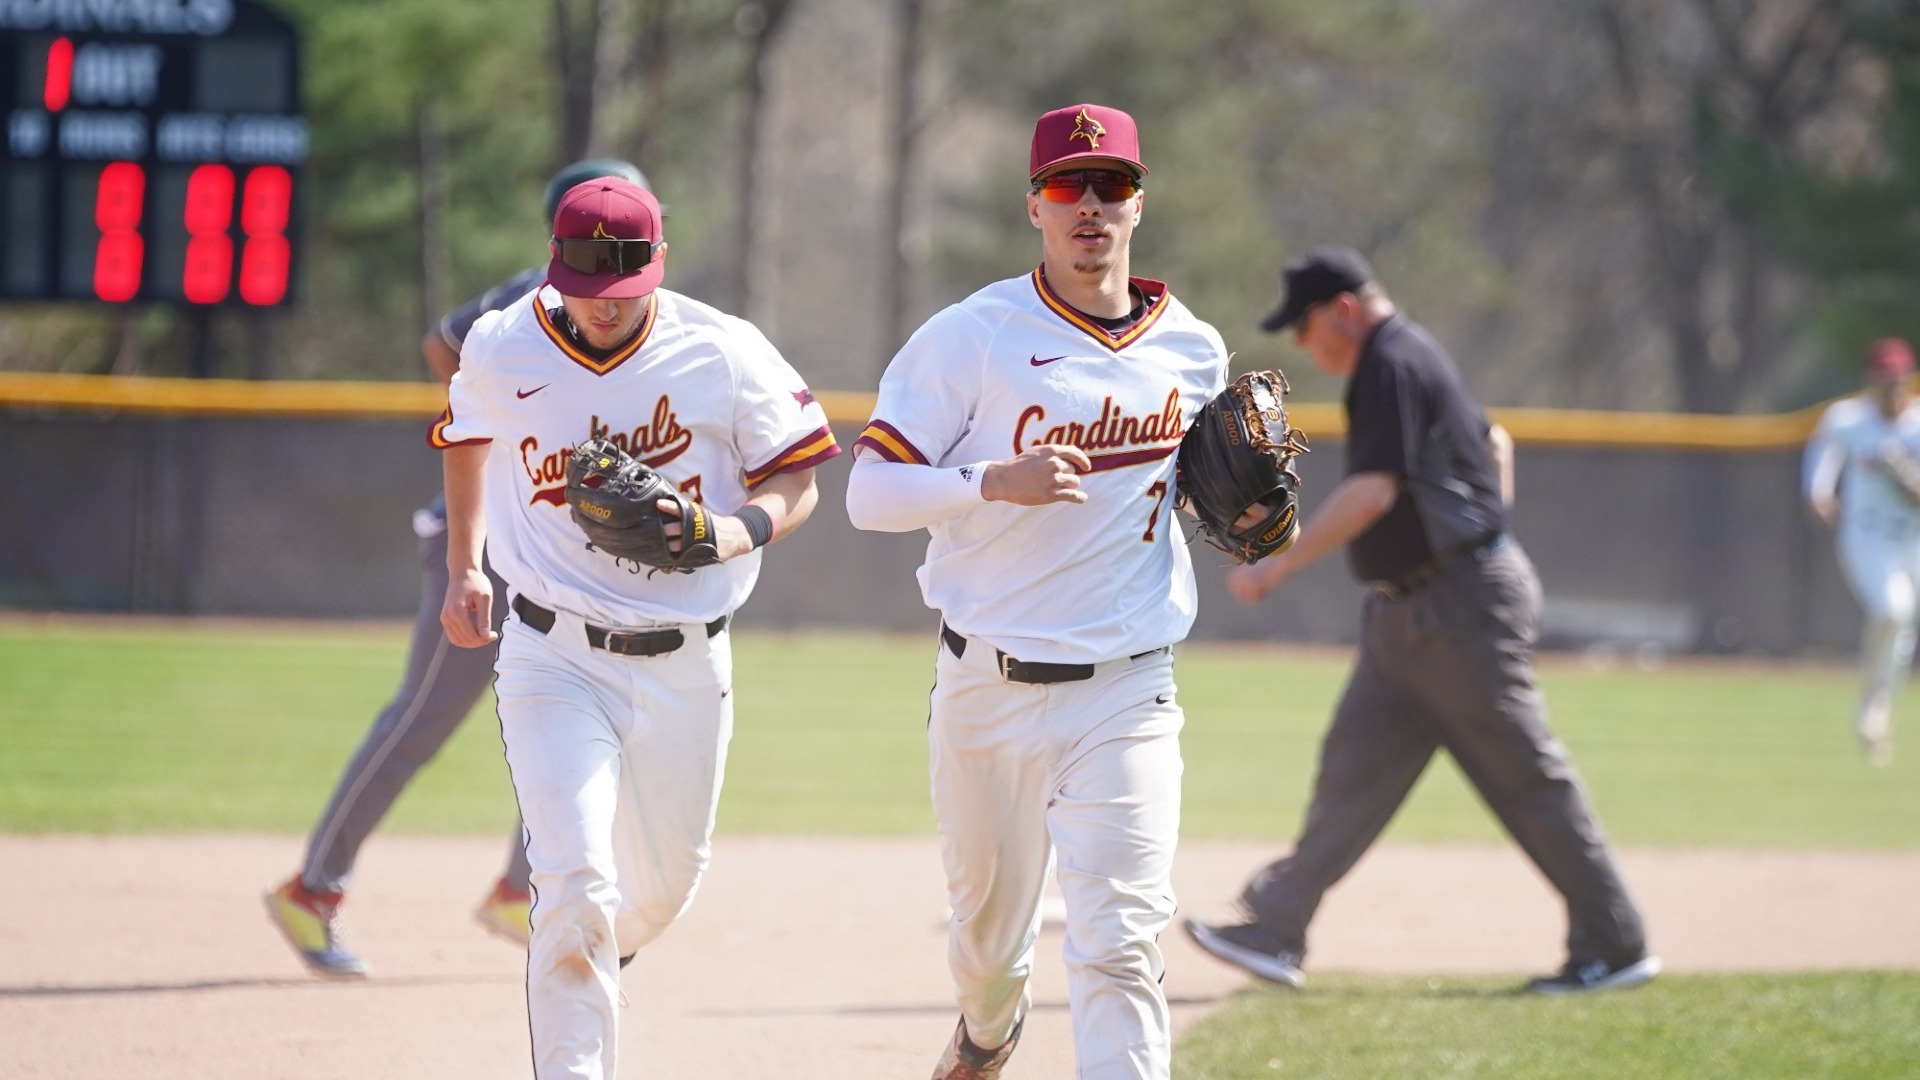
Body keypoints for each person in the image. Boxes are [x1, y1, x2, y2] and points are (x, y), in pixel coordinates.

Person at [846, 103, 1228, 1080]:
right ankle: (987, 1031)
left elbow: (1216, 501)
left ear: (1142, 202)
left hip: (1129, 692)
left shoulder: (1194, 350)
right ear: (1035, 206)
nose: (1090, 205)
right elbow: (869, 495)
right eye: (1069, 186)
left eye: (1113, 185)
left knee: (1120, 942)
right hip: (989, 687)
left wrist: (1261, 519)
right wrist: (988, 482)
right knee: (987, 949)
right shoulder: (971, 337)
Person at [437, 175, 836, 1079]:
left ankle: (602, 955)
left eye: (626, 289)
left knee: (658, 893)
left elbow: (801, 476)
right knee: (575, 883)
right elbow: (465, 435)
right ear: (555, 269)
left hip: (687, 661)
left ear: (658, 267)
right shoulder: (504, 343)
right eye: (589, 289)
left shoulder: (723, 351)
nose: (608, 308)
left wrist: (739, 529)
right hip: (552, 654)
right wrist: (467, 563)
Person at [1182, 246, 1660, 997]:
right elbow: (1494, 440)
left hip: (1456, 607)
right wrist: (1489, 523)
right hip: (1411, 610)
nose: (1303, 346)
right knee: (1353, 770)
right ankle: (1276, 925)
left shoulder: (1390, 362)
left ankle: (1615, 942)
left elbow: (1373, 491)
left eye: (1304, 329)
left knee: (1527, 779)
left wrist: (1276, 563)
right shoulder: (1406, 359)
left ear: (1342, 310)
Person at [264, 159, 652, 979]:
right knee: (420, 722)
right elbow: (442, 345)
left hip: (551, 550)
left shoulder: (632, 311)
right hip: (480, 550)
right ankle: (312, 887)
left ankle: (520, 887)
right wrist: (500, 403)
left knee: (589, 711)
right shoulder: (535, 296)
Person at [1803, 337, 1920, 766]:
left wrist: (1908, 481)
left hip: (1913, 537)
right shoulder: (1848, 419)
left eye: (1899, 378)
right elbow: (1823, 453)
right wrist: (1817, 491)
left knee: (1903, 625)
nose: (1892, 387)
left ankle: (1878, 706)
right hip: (1866, 535)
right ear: (1871, 380)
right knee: (1893, 609)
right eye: (1884, 378)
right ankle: (1874, 700)